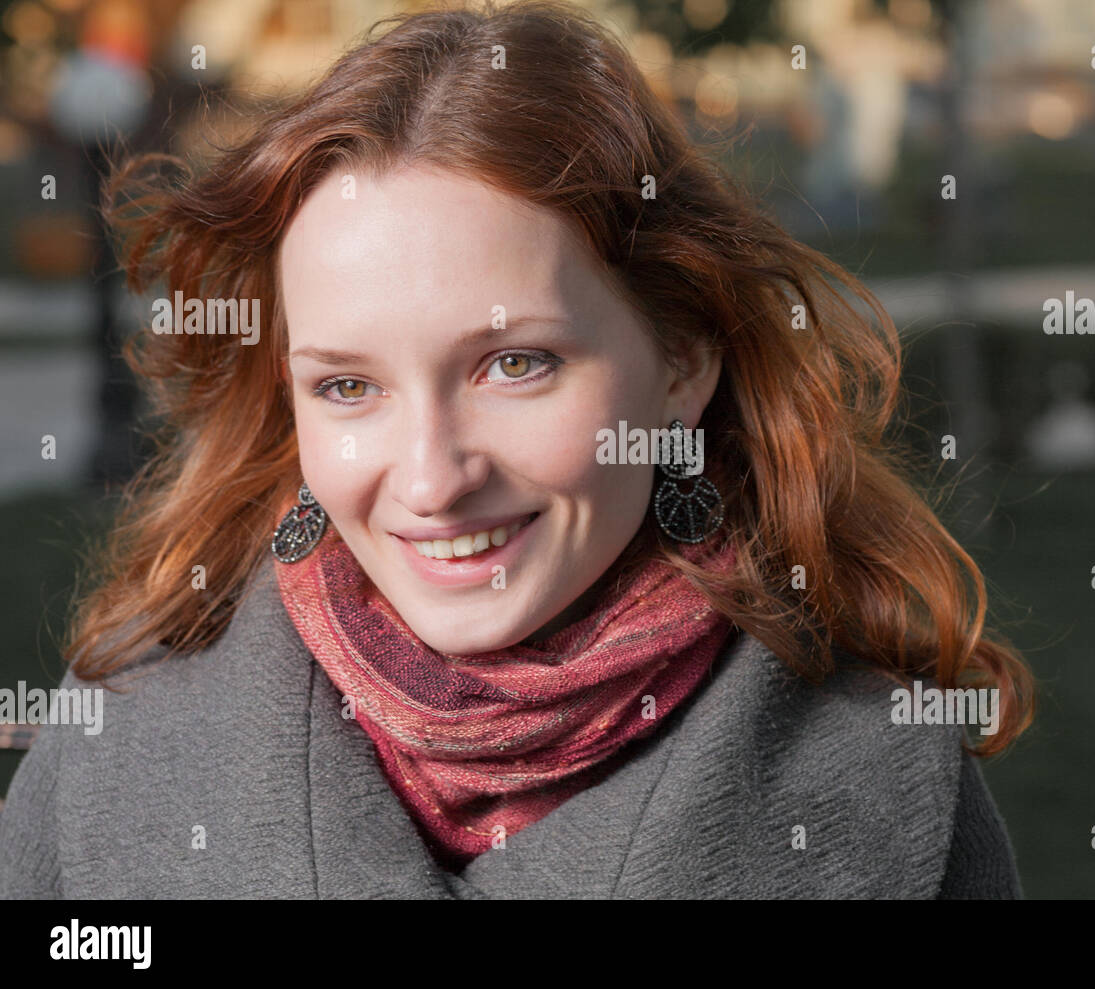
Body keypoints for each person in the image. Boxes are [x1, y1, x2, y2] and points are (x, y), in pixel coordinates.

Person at [0, 0, 1034, 899]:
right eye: (348, 385)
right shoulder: (111, 764)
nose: (430, 478)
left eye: (514, 365)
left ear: (681, 362)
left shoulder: (882, 777)